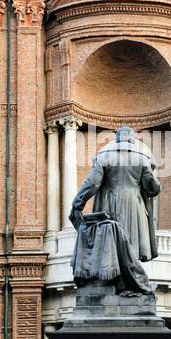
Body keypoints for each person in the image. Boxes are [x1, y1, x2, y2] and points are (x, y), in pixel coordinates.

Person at [69, 126, 161, 295]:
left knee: (112, 245)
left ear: (118, 139)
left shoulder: (104, 157)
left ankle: (117, 284)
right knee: (130, 246)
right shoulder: (142, 158)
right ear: (132, 139)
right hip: (135, 205)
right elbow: (154, 188)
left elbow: (92, 184)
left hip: (110, 203)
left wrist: (78, 203)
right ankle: (129, 285)